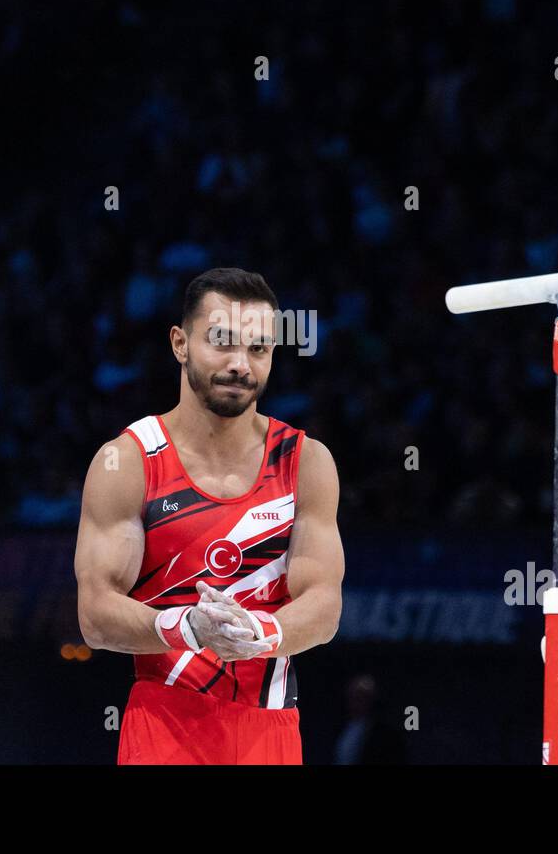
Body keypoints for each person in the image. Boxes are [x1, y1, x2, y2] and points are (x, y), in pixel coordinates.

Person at [75, 267, 344, 764]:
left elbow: (325, 604)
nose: (240, 364)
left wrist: (262, 635)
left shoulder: (306, 462)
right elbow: (94, 615)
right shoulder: (129, 462)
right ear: (179, 343)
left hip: (271, 729)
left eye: (259, 349)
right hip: (164, 723)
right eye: (222, 342)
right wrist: (189, 628)